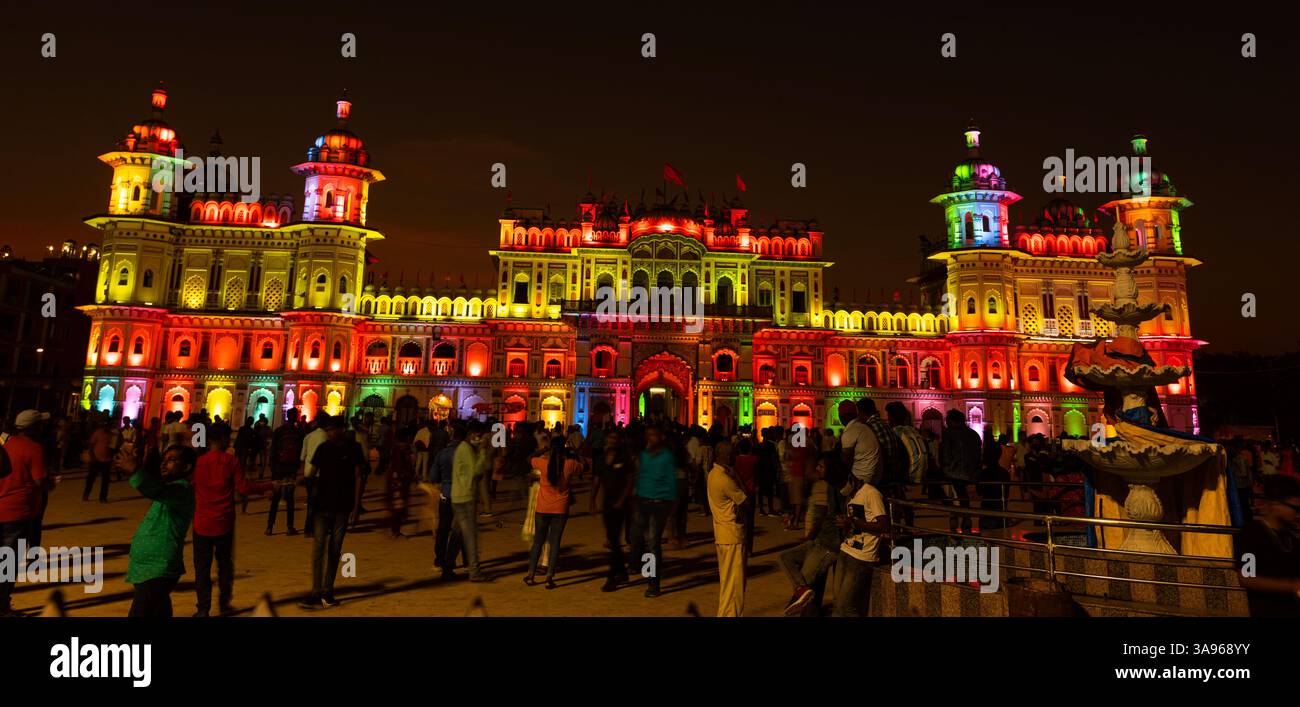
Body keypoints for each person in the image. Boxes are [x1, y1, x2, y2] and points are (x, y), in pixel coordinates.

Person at [189, 425, 272, 616]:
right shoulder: (230, 461)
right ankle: (224, 603)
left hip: (202, 522)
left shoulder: (199, 462)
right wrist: (267, 486)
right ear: (224, 439)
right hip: (223, 522)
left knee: (202, 568)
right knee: (225, 565)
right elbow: (243, 488)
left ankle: (203, 608)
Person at [122, 444, 197, 617]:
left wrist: (135, 472)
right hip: (146, 570)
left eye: (171, 460)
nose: (164, 464)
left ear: (186, 467)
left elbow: (156, 490)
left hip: (158, 570)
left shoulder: (182, 491)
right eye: (163, 460)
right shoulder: (170, 491)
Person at [300, 415, 366, 609]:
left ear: (341, 429)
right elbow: (311, 473)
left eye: (331, 430)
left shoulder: (352, 449)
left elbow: (358, 476)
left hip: (342, 506)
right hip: (323, 505)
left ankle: (327, 590)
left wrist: (356, 505)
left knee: (334, 550)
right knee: (318, 549)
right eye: (327, 430)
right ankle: (316, 591)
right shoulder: (323, 448)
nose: (328, 433)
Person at [0, 410, 53, 615]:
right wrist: (51, 483)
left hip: (3, 506)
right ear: (35, 428)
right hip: (18, 512)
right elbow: (39, 481)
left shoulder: (6, 444)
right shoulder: (34, 448)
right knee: (9, 562)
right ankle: (2, 605)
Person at [782, 453, 848, 616]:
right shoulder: (825, 485)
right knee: (785, 558)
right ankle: (801, 592)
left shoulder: (840, 489)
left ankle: (803, 600)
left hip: (829, 545)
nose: (817, 469)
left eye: (821, 466)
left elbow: (828, 516)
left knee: (808, 578)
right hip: (819, 540)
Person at [1234, 475, 1300, 616]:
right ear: (1275, 504)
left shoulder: (1289, 537)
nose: (1297, 513)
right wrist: (1291, 586)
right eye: (1294, 507)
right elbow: (1246, 578)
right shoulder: (1251, 534)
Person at [525, 436, 583, 588]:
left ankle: (531, 574)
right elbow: (586, 466)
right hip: (560, 508)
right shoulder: (569, 464)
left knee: (538, 541)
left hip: (543, 507)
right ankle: (550, 576)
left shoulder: (543, 463)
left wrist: (543, 450)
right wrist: (573, 452)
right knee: (555, 542)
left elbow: (529, 459)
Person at [629, 424, 676, 597]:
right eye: (648, 436)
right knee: (636, 538)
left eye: (654, 435)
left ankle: (653, 583)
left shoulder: (666, 457)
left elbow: (672, 483)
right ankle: (646, 570)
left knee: (653, 543)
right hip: (643, 502)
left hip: (659, 504)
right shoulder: (644, 456)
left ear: (661, 437)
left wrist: (671, 512)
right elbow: (639, 478)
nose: (651, 439)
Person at [834, 474, 889, 617]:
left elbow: (882, 524)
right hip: (846, 549)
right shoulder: (851, 496)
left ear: (851, 479)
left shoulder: (871, 493)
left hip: (861, 557)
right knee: (841, 604)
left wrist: (853, 522)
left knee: (843, 607)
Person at [707, 440, 747, 616]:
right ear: (728, 456)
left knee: (727, 582)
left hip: (722, 534)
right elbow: (746, 501)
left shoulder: (712, 475)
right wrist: (736, 476)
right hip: (732, 535)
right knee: (735, 585)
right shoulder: (725, 480)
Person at [590, 428, 633, 591]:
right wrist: (592, 499)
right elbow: (596, 479)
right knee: (612, 539)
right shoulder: (601, 458)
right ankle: (622, 572)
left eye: (615, 438)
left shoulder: (624, 457)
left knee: (613, 540)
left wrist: (622, 500)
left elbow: (630, 480)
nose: (612, 441)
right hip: (607, 504)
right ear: (606, 440)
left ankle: (611, 577)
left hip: (621, 505)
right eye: (610, 438)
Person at [450, 420, 489, 582]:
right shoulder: (466, 449)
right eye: (478, 436)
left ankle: (446, 564)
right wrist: (482, 453)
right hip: (466, 497)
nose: (479, 439)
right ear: (472, 434)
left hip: (458, 495)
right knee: (470, 535)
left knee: (457, 533)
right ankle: (474, 571)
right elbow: (476, 471)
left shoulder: (462, 448)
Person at [431, 424, 467, 579]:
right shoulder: (468, 453)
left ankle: (439, 559)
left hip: (446, 494)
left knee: (443, 529)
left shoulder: (443, 453)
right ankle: (452, 561)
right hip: (462, 496)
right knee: (458, 532)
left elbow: (433, 477)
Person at [939, 409, 981, 533]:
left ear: (951, 421)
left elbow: (945, 455)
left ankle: (954, 526)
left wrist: (944, 469)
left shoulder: (949, 434)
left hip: (952, 474)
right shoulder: (974, 434)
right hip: (970, 474)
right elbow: (978, 455)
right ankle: (967, 523)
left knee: (953, 502)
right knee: (964, 500)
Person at [267, 409, 304, 535]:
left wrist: (272, 468)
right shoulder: (298, 432)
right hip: (291, 468)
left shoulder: (278, 431)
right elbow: (300, 452)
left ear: (287, 416)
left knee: (276, 498)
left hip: (279, 468)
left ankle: (270, 526)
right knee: (290, 498)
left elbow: (272, 451)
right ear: (296, 417)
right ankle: (289, 526)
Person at [839, 399, 881, 485]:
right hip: (876, 475)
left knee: (833, 480)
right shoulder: (863, 427)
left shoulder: (851, 430)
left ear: (841, 417)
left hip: (862, 478)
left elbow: (845, 462)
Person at [300, 415, 328, 536]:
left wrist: (303, 474)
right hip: (320, 474)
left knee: (311, 501)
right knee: (320, 502)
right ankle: (314, 527)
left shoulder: (308, 437)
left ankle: (309, 527)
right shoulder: (326, 438)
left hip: (308, 473)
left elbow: (302, 457)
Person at [386, 427, 416, 537]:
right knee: (398, 505)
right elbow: (400, 466)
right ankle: (395, 530)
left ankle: (396, 528)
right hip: (398, 481)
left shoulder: (398, 448)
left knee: (398, 505)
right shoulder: (402, 449)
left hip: (397, 480)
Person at [84, 415, 114, 502]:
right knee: (91, 478)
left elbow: (112, 446)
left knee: (105, 480)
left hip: (107, 459)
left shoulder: (111, 434)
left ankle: (103, 497)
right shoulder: (98, 432)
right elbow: (91, 445)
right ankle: (86, 494)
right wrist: (92, 456)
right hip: (96, 459)